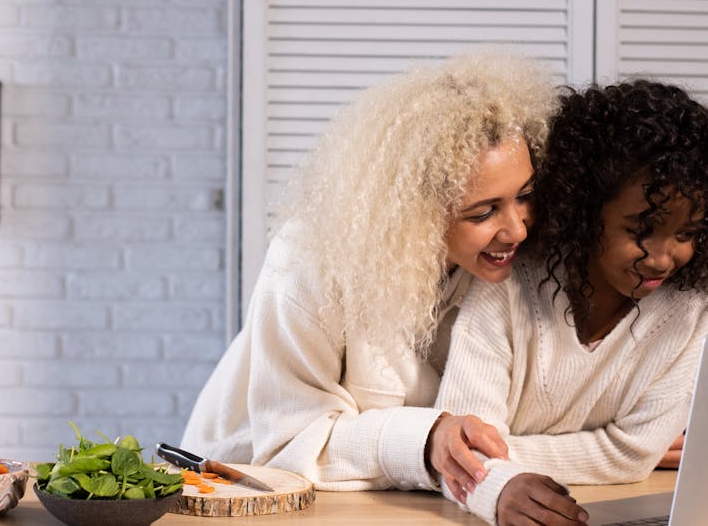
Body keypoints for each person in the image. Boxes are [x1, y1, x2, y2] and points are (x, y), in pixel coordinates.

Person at [180, 48, 560, 496]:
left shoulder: (508, 269)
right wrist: (426, 439)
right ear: (420, 212)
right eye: (483, 213)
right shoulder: (310, 262)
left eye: (525, 196)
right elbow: (287, 443)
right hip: (238, 490)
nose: (516, 229)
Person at [435, 79, 708, 526]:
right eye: (640, 229)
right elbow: (463, 450)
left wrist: (501, 450)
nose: (662, 257)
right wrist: (482, 462)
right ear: (585, 210)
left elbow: (632, 456)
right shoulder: (507, 287)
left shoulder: (691, 310)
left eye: (686, 233)